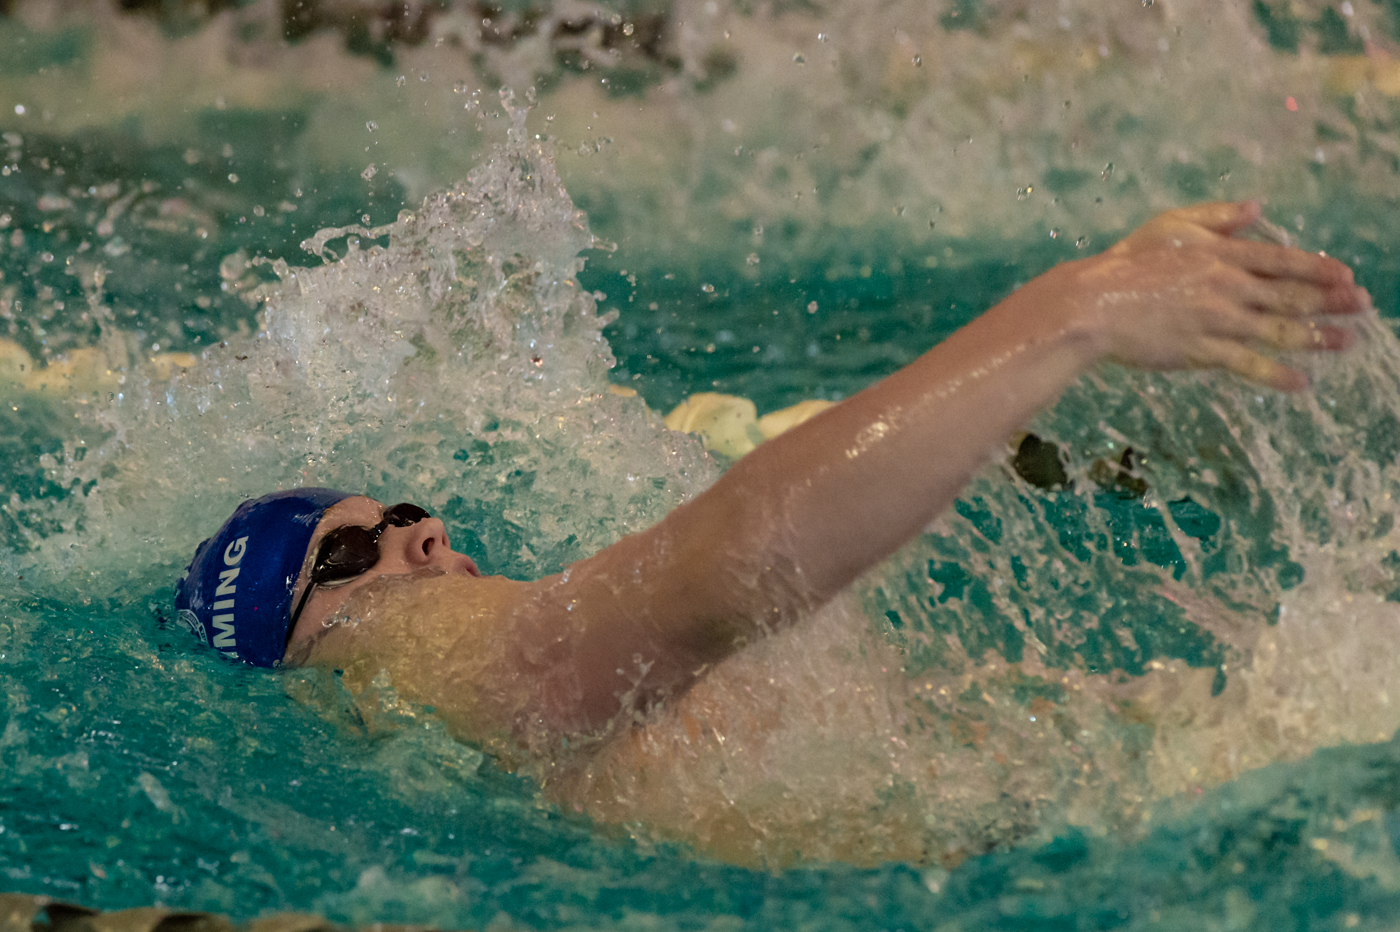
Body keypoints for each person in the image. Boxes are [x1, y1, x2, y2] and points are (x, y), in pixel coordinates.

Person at [175, 201, 1368, 847]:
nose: (418, 538)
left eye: (402, 515)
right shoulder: (433, 664)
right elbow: (732, 564)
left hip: (1111, 791)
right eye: (350, 552)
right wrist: (1073, 312)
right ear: (304, 645)